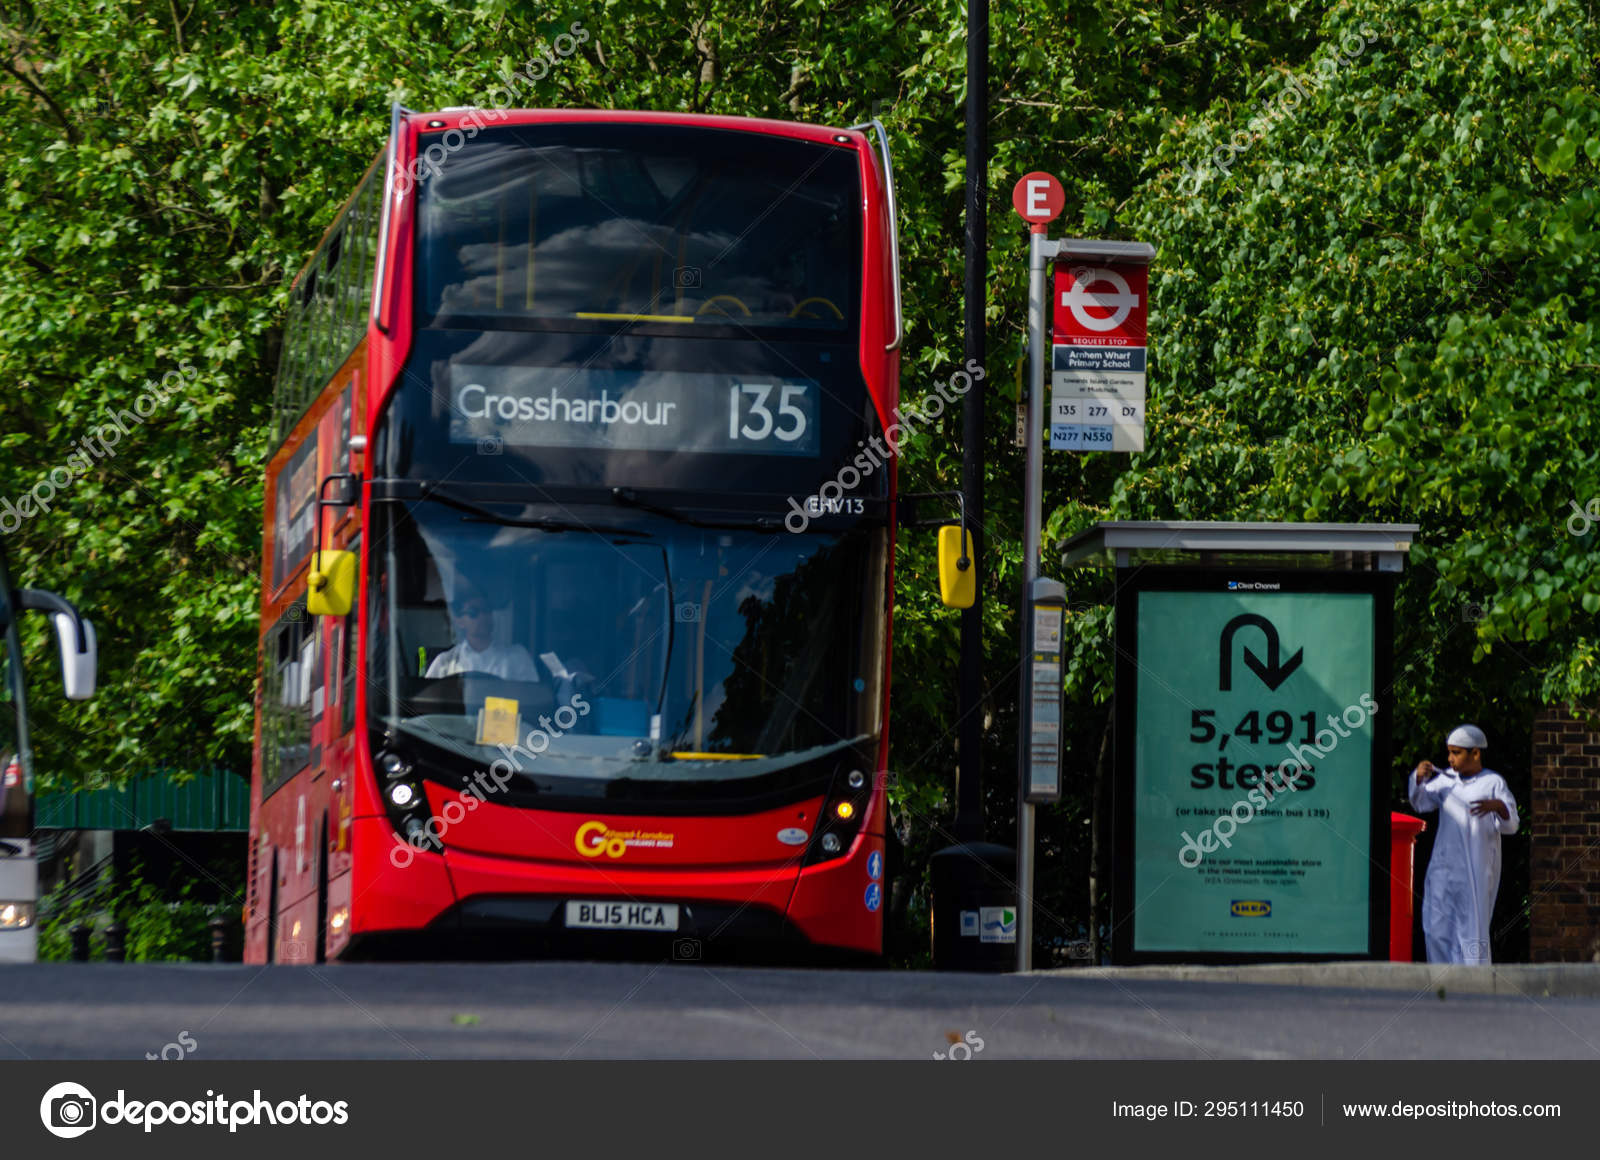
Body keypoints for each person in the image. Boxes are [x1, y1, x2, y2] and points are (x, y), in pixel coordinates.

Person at [1409, 724, 1519, 965]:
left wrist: (1498, 807)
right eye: (1449, 752)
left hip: (1475, 870)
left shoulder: (1493, 783)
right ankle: (1441, 984)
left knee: (1471, 929)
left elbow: (1511, 826)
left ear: (1476, 753)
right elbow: (1420, 803)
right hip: (1443, 867)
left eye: (1456, 752)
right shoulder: (1446, 781)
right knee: (1435, 925)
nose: (1450, 759)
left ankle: (1473, 986)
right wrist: (1419, 777)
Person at [425, 584, 539, 682]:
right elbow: (427, 698)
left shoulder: (517, 657)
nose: (483, 616)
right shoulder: (445, 663)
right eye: (473, 612)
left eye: (487, 610)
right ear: (460, 621)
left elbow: (533, 700)